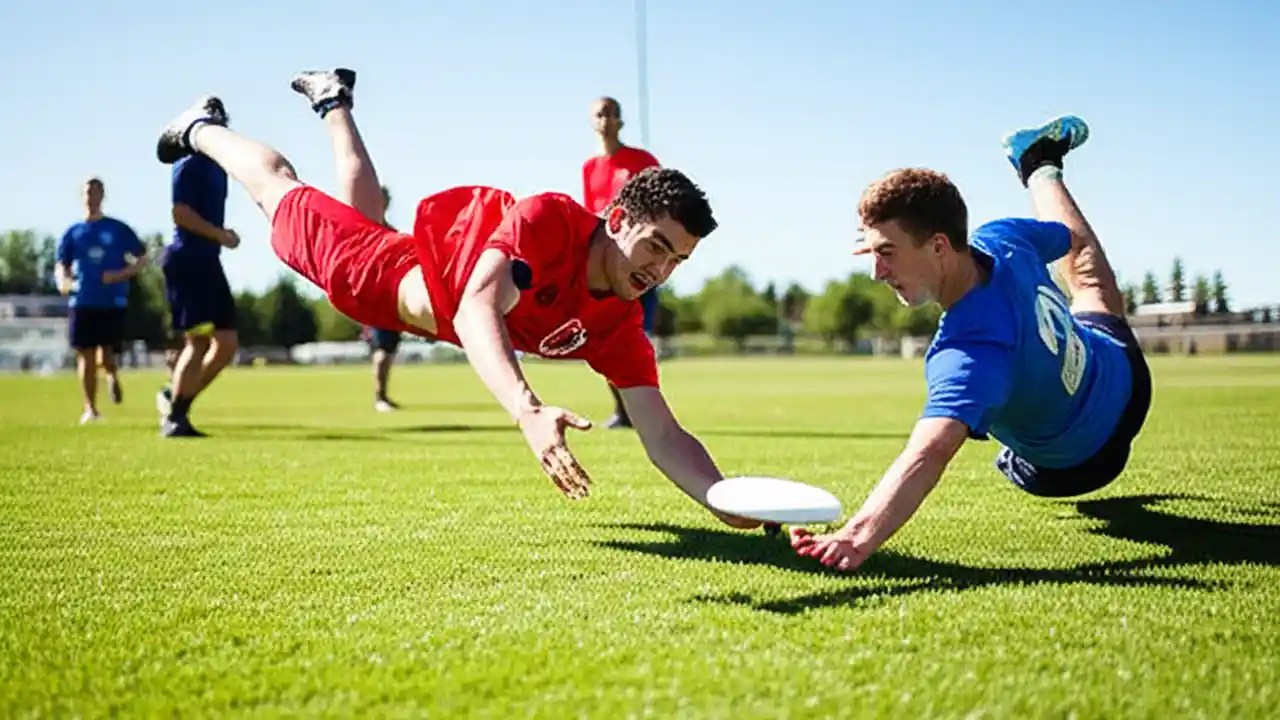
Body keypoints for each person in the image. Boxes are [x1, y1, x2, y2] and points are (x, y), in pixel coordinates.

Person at [153, 67, 757, 528]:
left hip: (404, 266)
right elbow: (477, 306)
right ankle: (202, 127)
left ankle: (333, 101)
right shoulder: (551, 222)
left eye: (677, 260)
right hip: (371, 279)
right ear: (619, 217)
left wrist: (722, 500)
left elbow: (664, 435)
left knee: (366, 214)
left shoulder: (618, 321)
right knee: (277, 189)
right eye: (656, 247)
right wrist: (527, 408)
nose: (661, 271)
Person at [791, 116, 1152, 571]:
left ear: (939, 245)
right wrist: (889, 241)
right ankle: (1039, 164)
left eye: (886, 253)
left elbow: (929, 452)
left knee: (1010, 452)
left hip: (1079, 466)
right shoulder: (1003, 238)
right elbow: (1068, 237)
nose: (876, 273)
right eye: (873, 251)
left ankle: (1014, 458)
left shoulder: (969, 351)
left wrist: (856, 537)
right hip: (1125, 373)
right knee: (1092, 286)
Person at [156, 100, 241, 438]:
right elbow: (181, 213)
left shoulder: (218, 167)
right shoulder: (187, 163)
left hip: (208, 260)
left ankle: (175, 398)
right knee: (200, 341)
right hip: (188, 260)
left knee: (228, 343)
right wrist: (220, 234)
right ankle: (176, 417)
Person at [581, 96, 662, 429]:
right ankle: (622, 411)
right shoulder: (589, 167)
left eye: (612, 113)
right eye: (600, 114)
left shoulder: (641, 160)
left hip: (639, 263)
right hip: (607, 266)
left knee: (634, 338)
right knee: (602, 340)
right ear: (592, 121)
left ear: (621, 121)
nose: (606, 119)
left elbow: (662, 202)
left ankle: (640, 410)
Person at [56, 177, 148, 424]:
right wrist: (63, 281)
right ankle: (91, 409)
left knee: (106, 356)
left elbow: (142, 258)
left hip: (111, 301)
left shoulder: (117, 229)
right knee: (84, 355)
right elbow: (61, 265)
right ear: (82, 196)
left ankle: (112, 375)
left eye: (96, 192)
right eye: (88, 192)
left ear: (103, 195)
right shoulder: (73, 232)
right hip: (82, 300)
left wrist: (120, 275)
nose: (92, 197)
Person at [363, 185, 403, 413]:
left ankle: (384, 395)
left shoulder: (392, 233)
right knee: (381, 350)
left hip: (391, 301)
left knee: (389, 350)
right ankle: (379, 397)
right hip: (372, 301)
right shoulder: (365, 230)